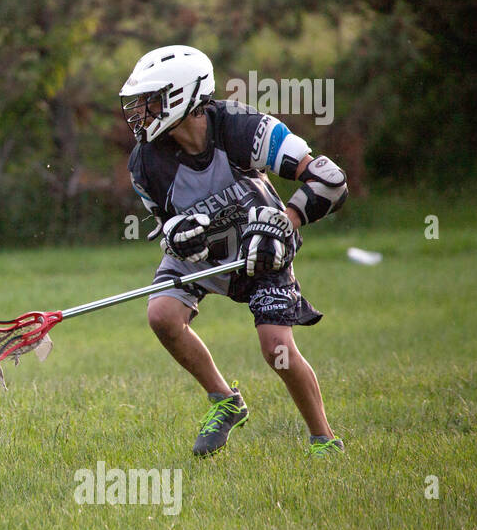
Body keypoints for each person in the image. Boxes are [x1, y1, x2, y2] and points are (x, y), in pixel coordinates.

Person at [122, 44, 347, 458]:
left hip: (263, 242)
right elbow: (164, 224)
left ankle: (323, 440)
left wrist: (286, 222)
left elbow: (330, 180)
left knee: (276, 348)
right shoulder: (144, 162)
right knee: (162, 315)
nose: (141, 112)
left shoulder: (243, 127)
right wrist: (175, 234)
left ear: (183, 97)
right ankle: (224, 400)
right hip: (203, 252)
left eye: (150, 101)